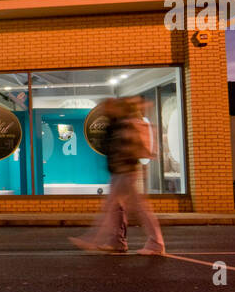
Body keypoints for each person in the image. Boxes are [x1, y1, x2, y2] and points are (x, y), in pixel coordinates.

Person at [70, 96, 165, 255]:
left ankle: (154, 243)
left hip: (126, 171)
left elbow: (128, 148)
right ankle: (116, 241)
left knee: (131, 208)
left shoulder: (126, 123)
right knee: (116, 208)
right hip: (120, 172)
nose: (104, 110)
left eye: (107, 107)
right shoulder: (117, 123)